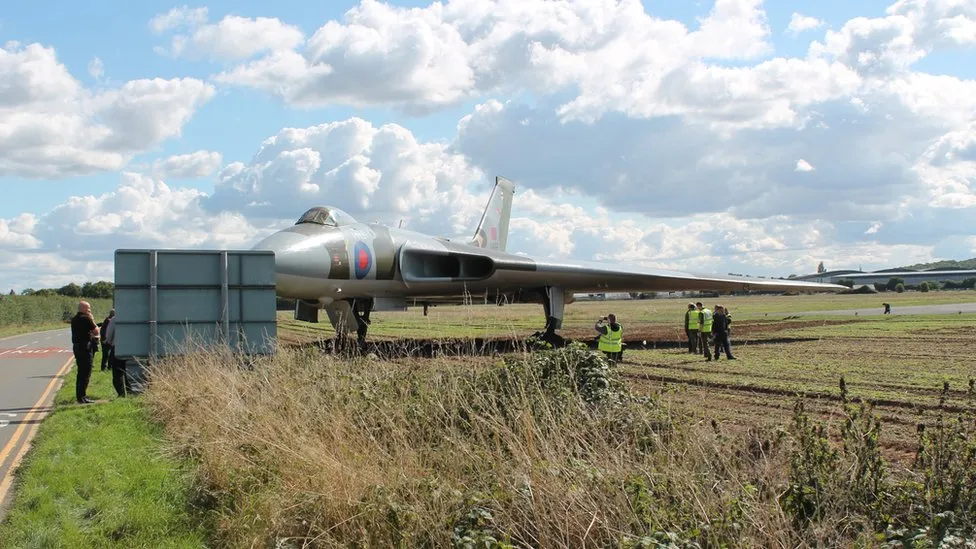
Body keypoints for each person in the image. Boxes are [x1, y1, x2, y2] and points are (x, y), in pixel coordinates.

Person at [70, 301, 99, 404]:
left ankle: (80, 396)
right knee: (86, 372)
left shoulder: (74, 319)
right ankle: (82, 397)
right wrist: (92, 319)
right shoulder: (86, 318)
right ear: (83, 308)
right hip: (85, 347)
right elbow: (96, 331)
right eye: (88, 308)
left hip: (77, 347)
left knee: (80, 372)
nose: (89, 310)